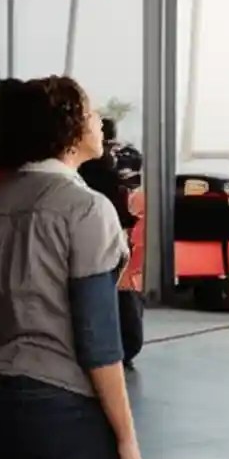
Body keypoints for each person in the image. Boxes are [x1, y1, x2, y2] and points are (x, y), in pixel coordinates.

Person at [0, 75, 144, 459]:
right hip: (58, 403)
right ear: (67, 129)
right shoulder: (87, 208)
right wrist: (126, 437)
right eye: (90, 111)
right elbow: (98, 338)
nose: (99, 121)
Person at [78, 117, 146, 369]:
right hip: (116, 231)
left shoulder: (86, 165)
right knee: (120, 288)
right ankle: (123, 345)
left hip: (92, 233)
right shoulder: (122, 159)